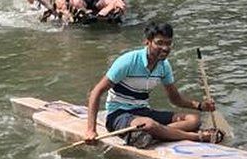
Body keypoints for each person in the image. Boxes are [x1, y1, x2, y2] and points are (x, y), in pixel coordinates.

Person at [83, 22, 222, 148]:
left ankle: (158, 133)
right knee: (148, 124)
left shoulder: (164, 66)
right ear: (147, 42)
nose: (165, 48)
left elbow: (175, 99)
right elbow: (96, 91)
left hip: (143, 111)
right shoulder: (128, 61)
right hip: (119, 115)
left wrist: (200, 106)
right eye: (159, 43)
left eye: (168, 43)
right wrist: (91, 130)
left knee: (193, 120)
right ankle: (195, 137)